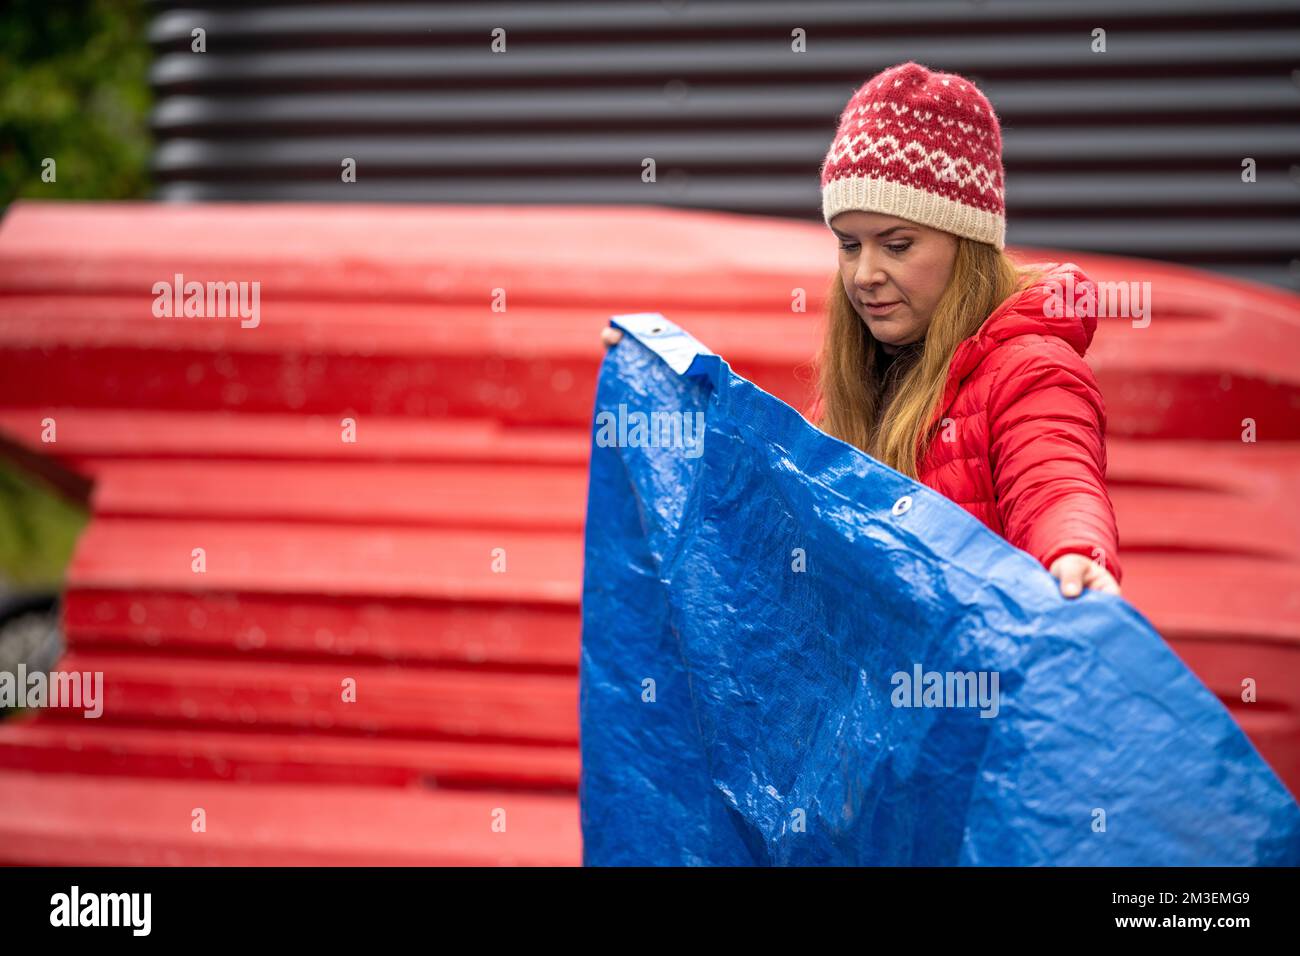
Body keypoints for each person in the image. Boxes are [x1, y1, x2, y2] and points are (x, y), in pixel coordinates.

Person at [603, 61, 1121, 599]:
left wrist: (1075, 554)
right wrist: (657, 392)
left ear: (967, 246)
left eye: (896, 245)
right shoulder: (864, 378)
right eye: (849, 245)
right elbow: (769, 524)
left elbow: (1057, 481)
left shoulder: (1031, 369)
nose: (865, 274)